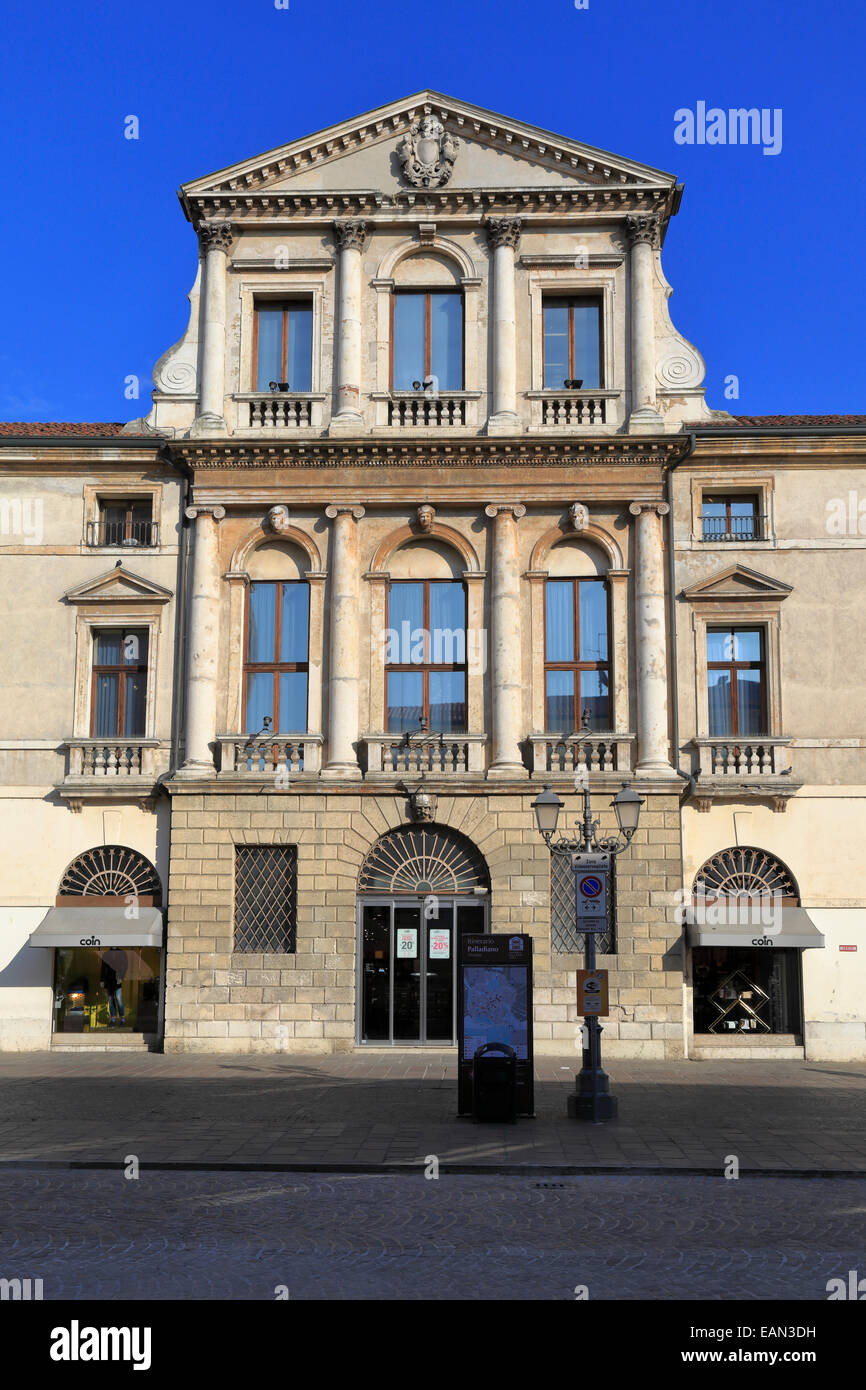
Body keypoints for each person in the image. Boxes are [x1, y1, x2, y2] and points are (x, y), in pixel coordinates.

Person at [99, 948, 129, 1026]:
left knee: (119, 999)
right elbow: (103, 967)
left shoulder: (122, 953)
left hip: (117, 979)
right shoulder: (106, 954)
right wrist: (102, 980)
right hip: (109, 980)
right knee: (111, 1000)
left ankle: (122, 1019)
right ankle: (113, 1019)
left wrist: (121, 978)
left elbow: (125, 966)